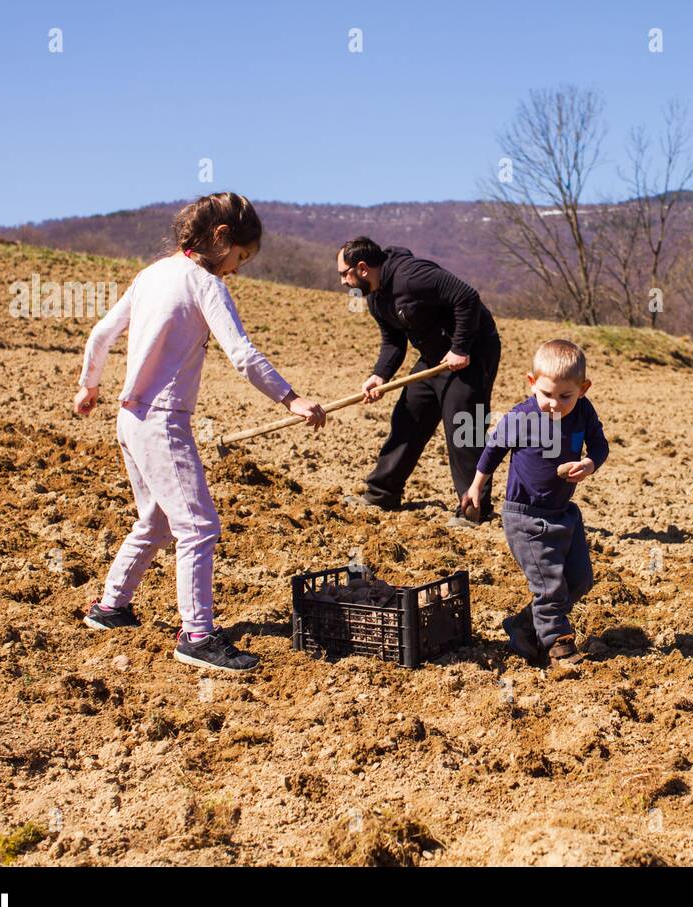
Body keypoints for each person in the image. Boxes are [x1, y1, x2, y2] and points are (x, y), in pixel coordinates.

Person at [73, 192, 326, 671]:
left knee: (157, 521)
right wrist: (292, 399)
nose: (236, 268)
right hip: (164, 420)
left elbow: (101, 334)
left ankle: (111, 607)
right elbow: (243, 355)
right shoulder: (203, 282)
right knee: (199, 525)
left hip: (128, 417)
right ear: (221, 239)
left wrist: (90, 386)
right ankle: (197, 635)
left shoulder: (150, 275)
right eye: (240, 257)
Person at [462, 340, 609, 669]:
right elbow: (492, 451)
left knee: (580, 579)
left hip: (563, 513)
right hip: (524, 517)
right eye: (546, 394)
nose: (554, 404)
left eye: (565, 396)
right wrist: (475, 488)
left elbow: (599, 444)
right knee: (550, 585)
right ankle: (559, 644)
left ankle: (524, 626)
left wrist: (590, 463)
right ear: (531, 383)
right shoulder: (521, 416)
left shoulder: (583, 412)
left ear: (583, 389)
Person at [337, 237, 501, 525]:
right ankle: (382, 493)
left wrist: (461, 348)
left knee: (465, 429)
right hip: (434, 357)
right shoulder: (376, 297)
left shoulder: (412, 275)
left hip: (472, 353)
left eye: (344, 273)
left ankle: (475, 509)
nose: (342, 282)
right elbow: (393, 341)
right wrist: (379, 375)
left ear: (362, 268)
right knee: (408, 417)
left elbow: (467, 297)